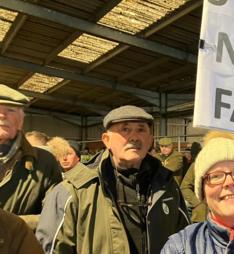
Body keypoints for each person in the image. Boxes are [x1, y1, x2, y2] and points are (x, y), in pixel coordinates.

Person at [49, 105, 190, 254]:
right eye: (125, 129)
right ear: (106, 140)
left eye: (141, 129)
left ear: (150, 140)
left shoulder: (167, 185)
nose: (134, 137)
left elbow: (185, 239)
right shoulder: (75, 190)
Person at [0, 84, 62, 229]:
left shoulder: (45, 161)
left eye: (10, 110)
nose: (2, 115)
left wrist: (9, 224)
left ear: (20, 121)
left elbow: (56, 214)